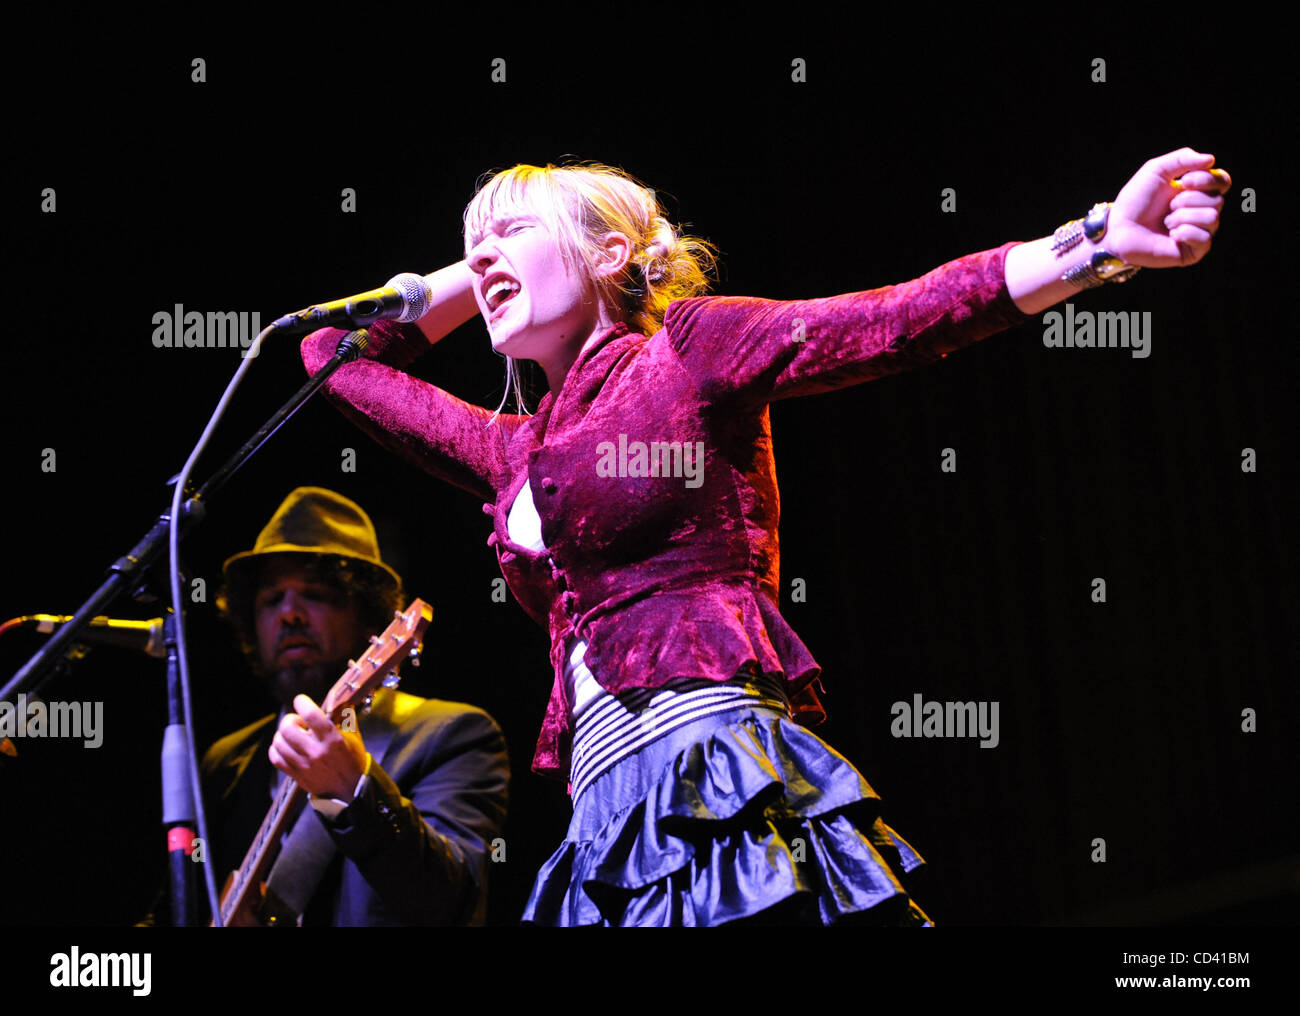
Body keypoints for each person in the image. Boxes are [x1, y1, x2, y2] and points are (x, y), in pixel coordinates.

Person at [300, 151, 1229, 925]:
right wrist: (479, 267)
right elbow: (330, 360)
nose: (486, 256)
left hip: (717, 775)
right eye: (474, 245)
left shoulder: (688, 350)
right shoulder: (516, 450)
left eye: (512, 233)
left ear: (612, 250)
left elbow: (896, 319)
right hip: (605, 818)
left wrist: (1096, 244)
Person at [202, 486, 509, 926]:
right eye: (271, 599)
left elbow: (453, 905)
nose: (289, 614)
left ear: (367, 615)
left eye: (315, 593)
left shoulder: (454, 735)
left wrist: (354, 790)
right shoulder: (226, 761)